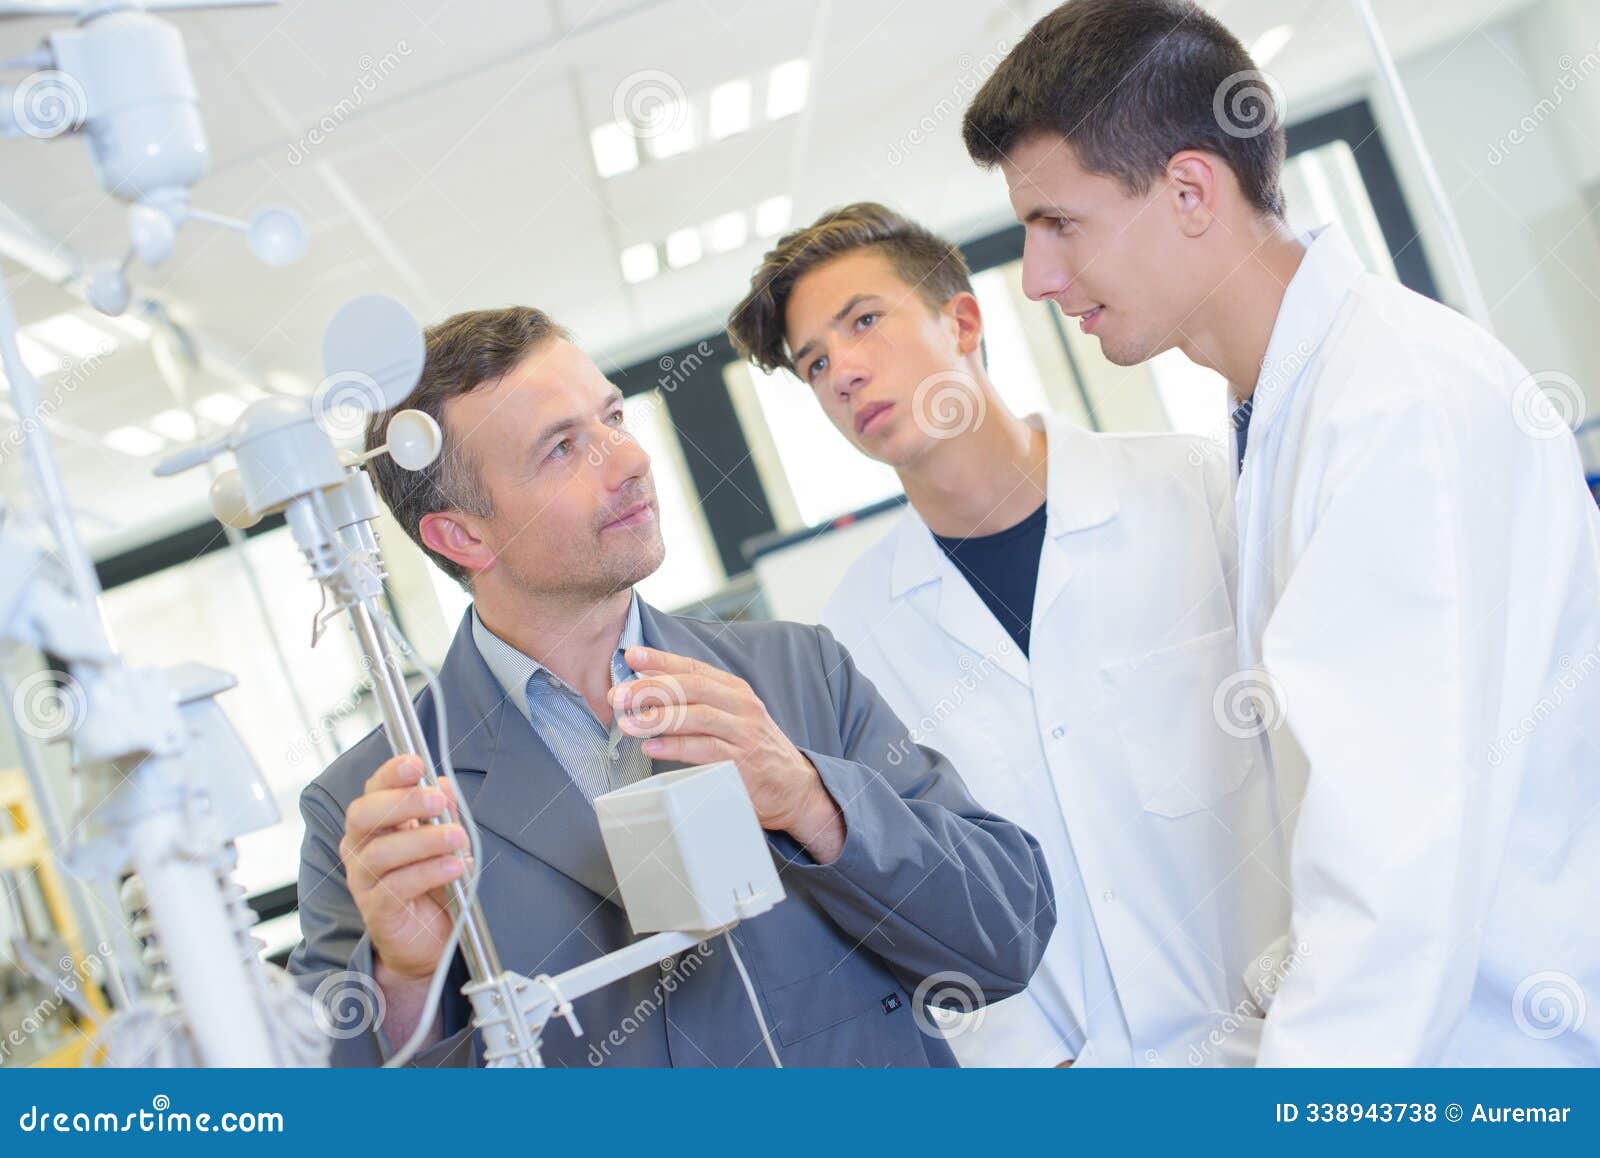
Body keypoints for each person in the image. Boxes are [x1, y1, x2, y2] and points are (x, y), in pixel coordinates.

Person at [963, 0, 1600, 1064]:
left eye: (1058, 223)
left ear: (1190, 190)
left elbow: (1394, 867)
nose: (1035, 277)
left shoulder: (1390, 403)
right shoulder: (1290, 405)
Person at [286, 306, 1056, 1067]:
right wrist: (406, 985)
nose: (628, 461)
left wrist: (813, 803)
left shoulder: (798, 673)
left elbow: (1006, 935)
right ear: (463, 536)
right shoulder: (375, 812)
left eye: (613, 417)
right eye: (562, 449)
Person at [728, 202, 1292, 1067]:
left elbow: (1319, 761)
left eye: (864, 322)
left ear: (961, 321)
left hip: (1305, 1052)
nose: (841, 370)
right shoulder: (852, 635)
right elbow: (908, 889)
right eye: (814, 363)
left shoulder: (1193, 492)